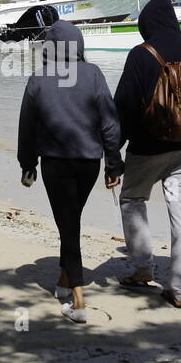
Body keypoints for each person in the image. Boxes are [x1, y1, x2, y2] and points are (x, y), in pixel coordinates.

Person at [17, 21, 123, 324]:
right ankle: (64, 281)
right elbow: (110, 123)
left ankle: (78, 301)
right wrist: (113, 163)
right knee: (70, 220)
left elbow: (27, 126)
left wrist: (27, 164)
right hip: (89, 162)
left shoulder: (38, 79)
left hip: (55, 162)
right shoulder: (93, 74)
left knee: (69, 225)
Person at [114, 0, 181, 308]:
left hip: (146, 149)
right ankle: (180, 287)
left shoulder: (140, 55)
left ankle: (143, 269)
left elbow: (124, 108)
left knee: (132, 200)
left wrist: (113, 150)